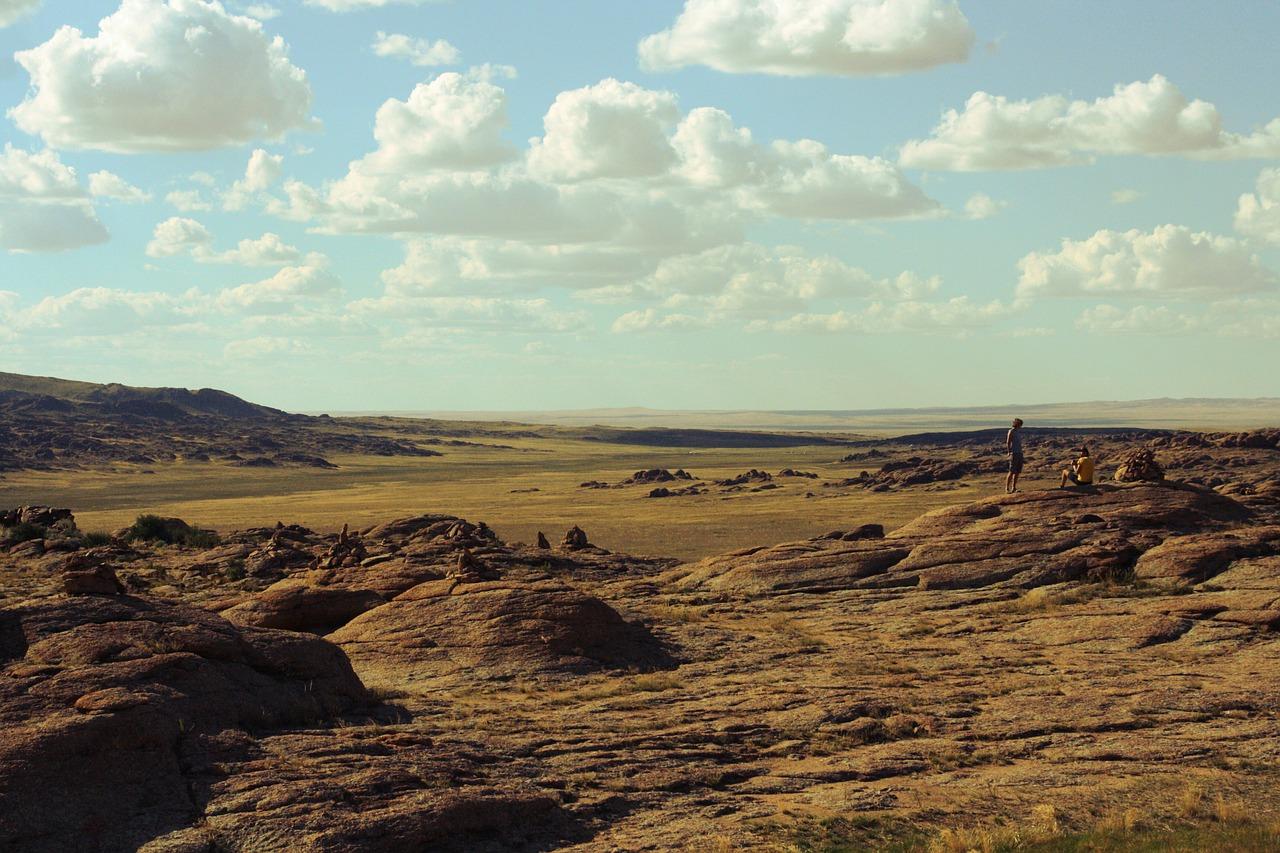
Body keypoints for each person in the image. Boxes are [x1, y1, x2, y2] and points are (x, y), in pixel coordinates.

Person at [1005, 418, 1024, 494]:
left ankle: (1014, 488)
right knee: (1012, 471)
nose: (1021, 426)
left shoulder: (1018, 432)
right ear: (1016, 424)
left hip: (1019, 453)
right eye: (1020, 424)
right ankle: (1007, 488)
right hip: (1014, 453)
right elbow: (1008, 442)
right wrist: (1009, 452)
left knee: (1017, 472)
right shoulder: (1011, 431)